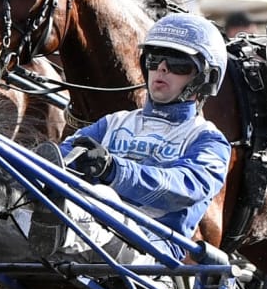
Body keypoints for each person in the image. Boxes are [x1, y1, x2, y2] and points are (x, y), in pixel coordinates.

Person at [52, 13, 231, 253]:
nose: (162, 68)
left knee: (101, 197)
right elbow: (57, 160)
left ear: (205, 78)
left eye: (178, 63)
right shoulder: (112, 122)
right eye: (154, 59)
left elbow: (182, 189)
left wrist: (113, 170)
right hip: (87, 227)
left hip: (152, 250)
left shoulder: (209, 140)